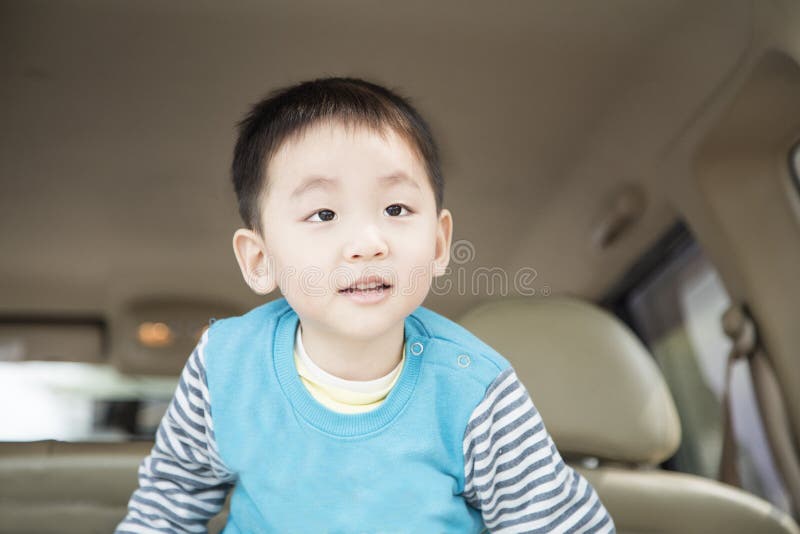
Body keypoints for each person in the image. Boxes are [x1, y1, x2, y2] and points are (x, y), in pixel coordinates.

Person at [116, 77, 615, 533]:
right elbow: (166, 505)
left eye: (396, 209)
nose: (368, 242)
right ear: (260, 258)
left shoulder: (476, 391)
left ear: (439, 245)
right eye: (324, 212)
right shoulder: (224, 366)